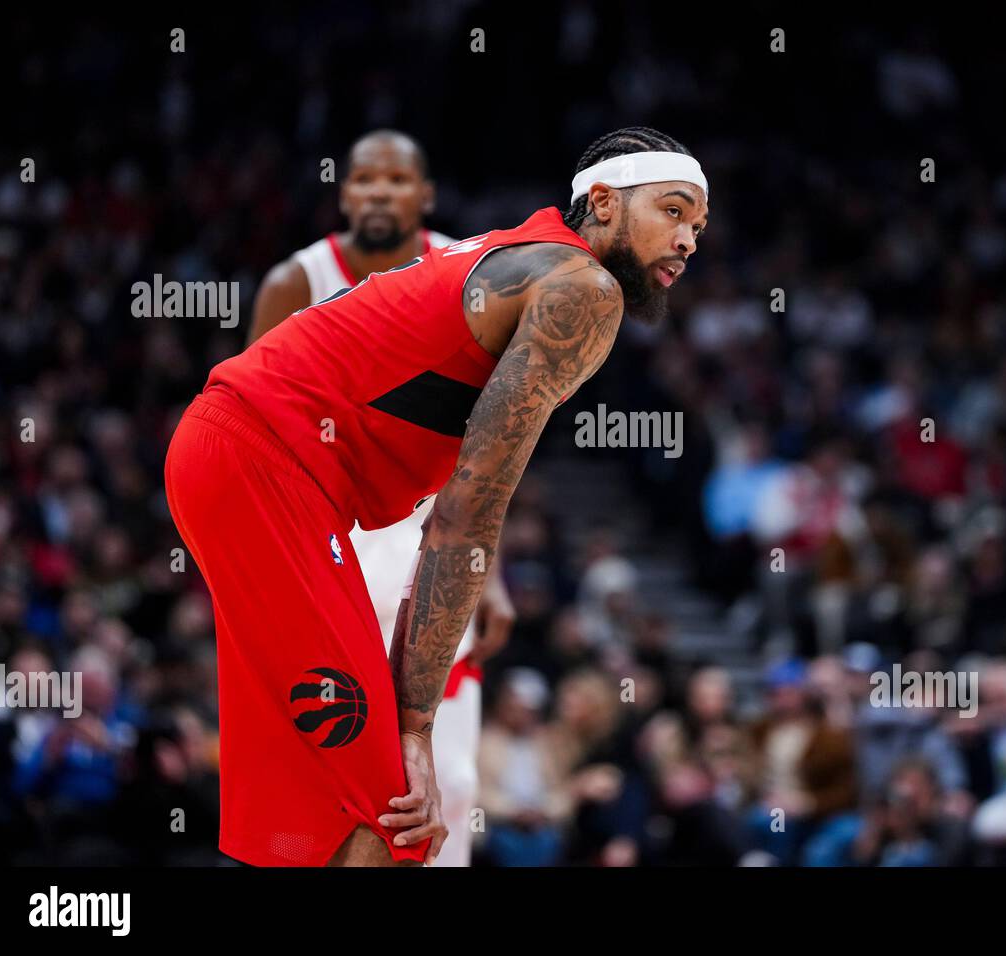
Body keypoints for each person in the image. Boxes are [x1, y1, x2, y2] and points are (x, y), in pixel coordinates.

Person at [165, 126, 708, 865]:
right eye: (674, 212)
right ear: (604, 203)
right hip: (268, 466)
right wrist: (415, 725)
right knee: (397, 815)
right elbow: (467, 513)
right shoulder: (584, 289)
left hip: (254, 466)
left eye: (699, 227)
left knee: (320, 825)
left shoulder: (516, 253)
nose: (688, 240)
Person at [244, 130, 503, 867]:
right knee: (343, 765)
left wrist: (496, 570)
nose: (379, 193)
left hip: (436, 534)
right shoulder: (295, 281)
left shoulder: (473, 269)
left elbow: (496, 445)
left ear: (424, 194)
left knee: (449, 778)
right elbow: (248, 424)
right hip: (329, 533)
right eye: (364, 180)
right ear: (343, 193)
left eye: (397, 181)